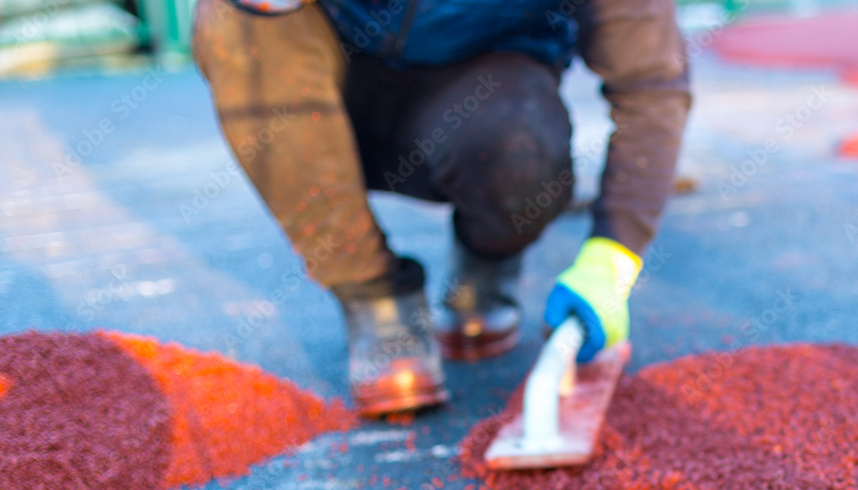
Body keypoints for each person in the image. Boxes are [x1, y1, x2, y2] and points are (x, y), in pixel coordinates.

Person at [192, 0, 690, 416]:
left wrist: (612, 257)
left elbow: (651, 83)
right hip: (321, 94)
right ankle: (372, 294)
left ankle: (487, 258)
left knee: (520, 150)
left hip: (479, 96)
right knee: (235, 24)